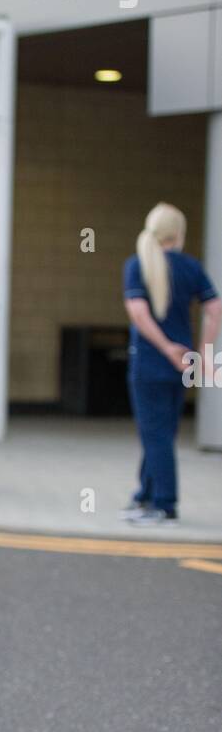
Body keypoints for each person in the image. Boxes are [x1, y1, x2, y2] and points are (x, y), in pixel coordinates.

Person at [120, 202, 221, 525]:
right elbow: (214, 308)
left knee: (155, 435)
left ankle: (164, 504)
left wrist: (165, 348)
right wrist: (204, 352)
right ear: (178, 233)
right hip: (184, 365)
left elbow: (138, 313)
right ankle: (145, 495)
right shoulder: (190, 266)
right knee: (163, 433)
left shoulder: (137, 265)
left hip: (150, 364)